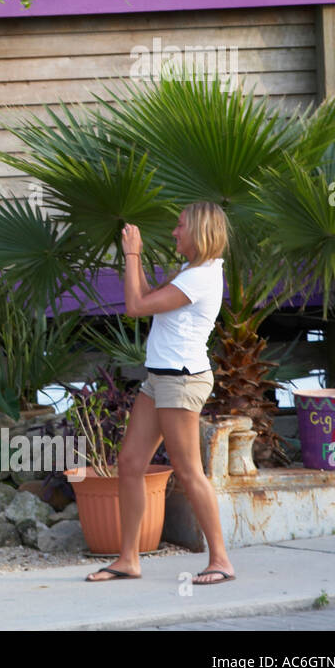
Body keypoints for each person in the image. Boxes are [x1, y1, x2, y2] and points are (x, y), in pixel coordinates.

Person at [86, 201, 236, 586]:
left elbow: (134, 306)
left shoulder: (200, 278)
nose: (174, 232)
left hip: (181, 380)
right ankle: (128, 559)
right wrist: (134, 262)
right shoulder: (191, 271)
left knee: (188, 471)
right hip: (160, 379)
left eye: (180, 226)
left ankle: (220, 560)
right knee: (131, 463)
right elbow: (144, 298)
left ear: (200, 231)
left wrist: (133, 253)